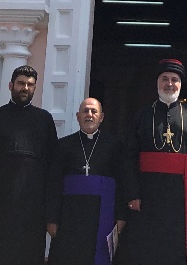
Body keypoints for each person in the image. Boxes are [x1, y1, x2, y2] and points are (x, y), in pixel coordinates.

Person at [118, 58, 187, 265]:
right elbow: (129, 157)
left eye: (174, 79)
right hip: (148, 195)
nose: (169, 84)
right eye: (165, 79)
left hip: (183, 197)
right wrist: (133, 193)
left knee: (178, 248)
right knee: (148, 247)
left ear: (180, 84)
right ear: (157, 83)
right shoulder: (142, 116)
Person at [0, 65, 58, 265]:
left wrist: (51, 209)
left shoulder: (44, 120)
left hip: (33, 206)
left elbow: (53, 166)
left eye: (30, 85)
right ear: (10, 85)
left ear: (35, 88)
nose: (25, 88)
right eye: (21, 83)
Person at [47, 97, 127, 265]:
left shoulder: (114, 146)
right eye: (85, 111)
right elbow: (53, 184)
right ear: (77, 116)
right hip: (70, 217)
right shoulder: (63, 146)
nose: (89, 115)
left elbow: (122, 183)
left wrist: (121, 216)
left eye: (94, 111)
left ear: (102, 117)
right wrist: (51, 219)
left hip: (101, 215)